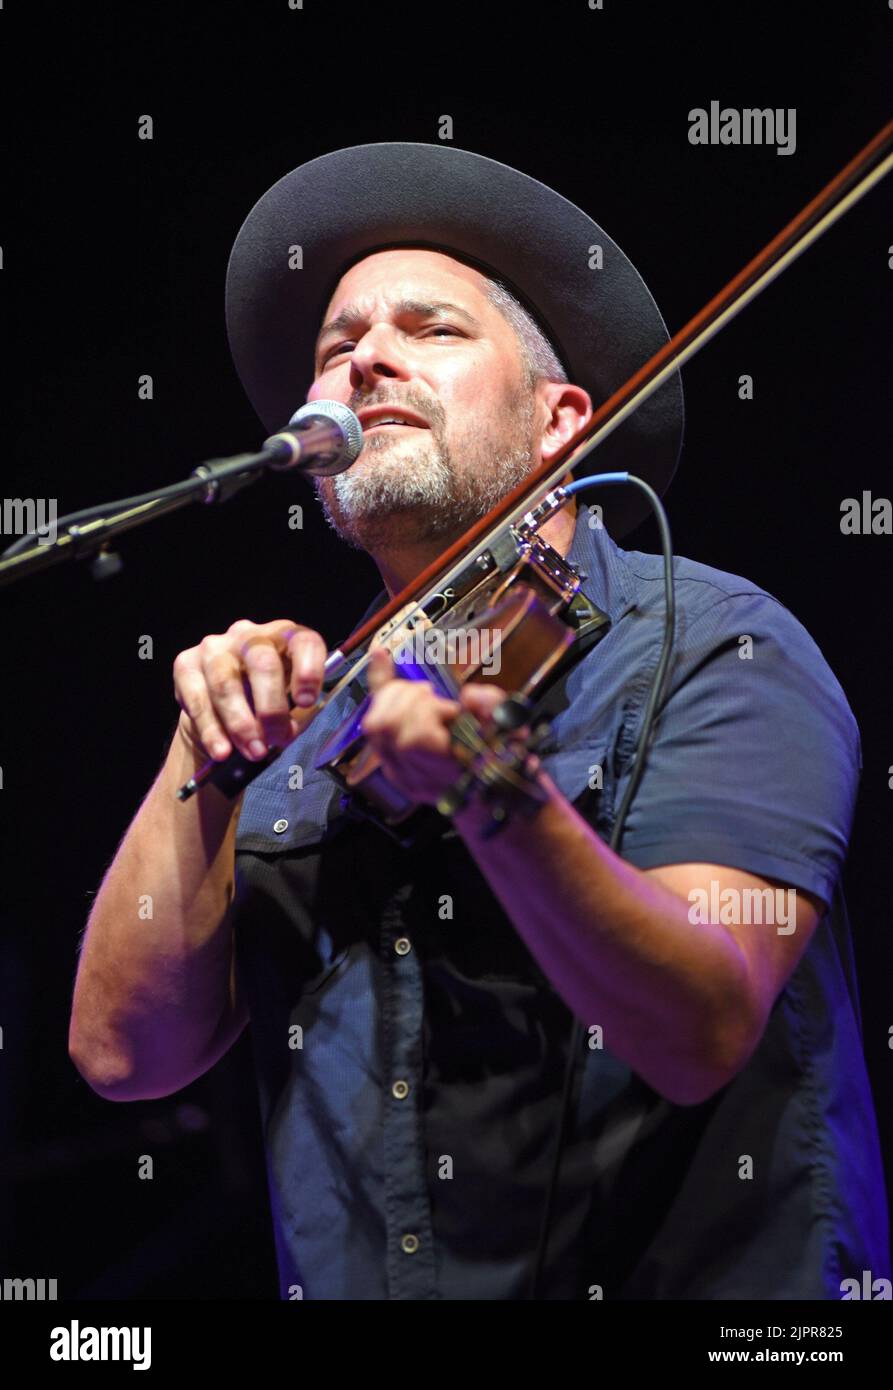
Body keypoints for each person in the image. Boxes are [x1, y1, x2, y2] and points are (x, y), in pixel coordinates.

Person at [69, 143, 891, 1301]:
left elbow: (698, 1023)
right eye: (338, 346)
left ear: (560, 422)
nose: (366, 363)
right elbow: (124, 1056)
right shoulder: (303, 724)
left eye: (430, 330)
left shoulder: (713, 644)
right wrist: (197, 754)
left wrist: (491, 795)